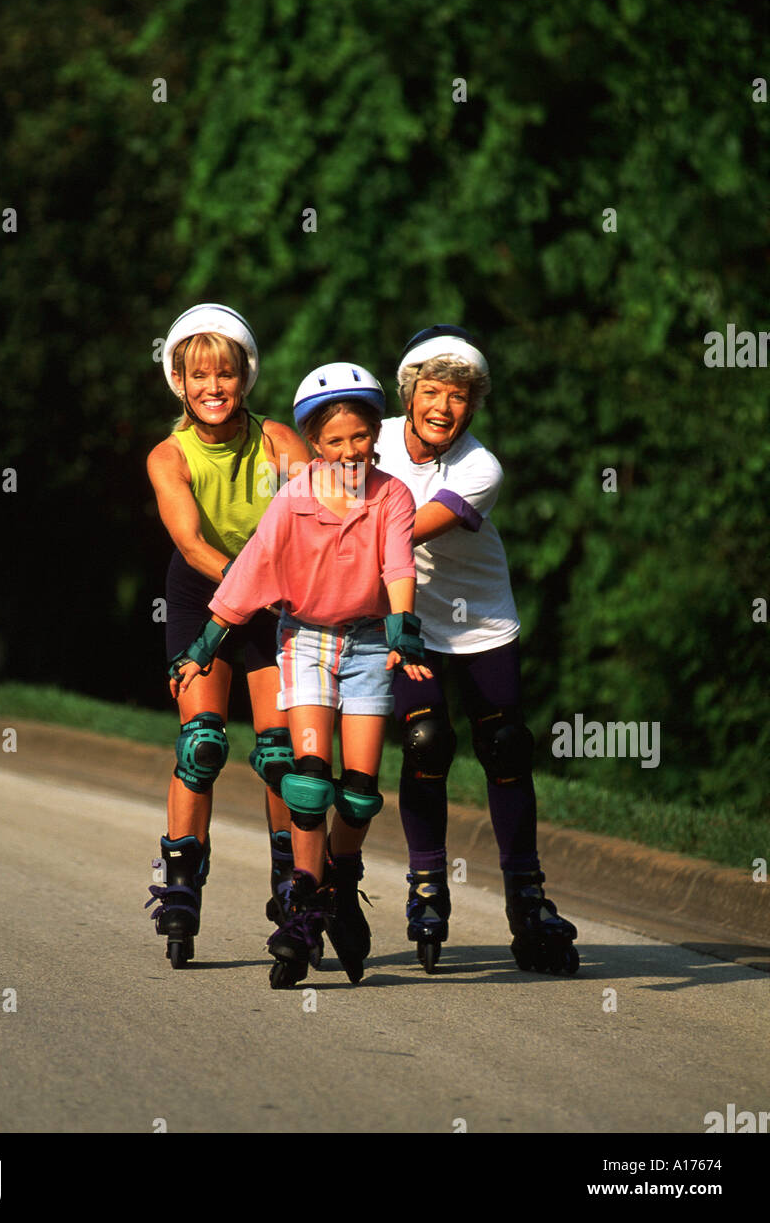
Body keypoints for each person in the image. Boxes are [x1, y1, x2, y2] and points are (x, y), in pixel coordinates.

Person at [170, 363, 432, 987]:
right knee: (310, 783)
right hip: (307, 640)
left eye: (362, 437)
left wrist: (403, 627)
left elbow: (398, 562)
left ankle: (342, 876)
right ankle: (304, 904)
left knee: (362, 792)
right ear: (315, 443)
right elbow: (251, 571)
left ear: (376, 435)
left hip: (370, 645)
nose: (350, 451)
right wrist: (206, 644)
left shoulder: (391, 494)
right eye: (335, 441)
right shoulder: (294, 497)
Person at [374, 325, 580, 975]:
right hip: (409, 620)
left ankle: (527, 897)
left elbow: (406, 529)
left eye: (459, 396)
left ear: (475, 404)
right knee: (428, 739)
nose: (443, 407)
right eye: (432, 390)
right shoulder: (369, 440)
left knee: (507, 749)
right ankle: (428, 884)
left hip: (481, 619)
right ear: (410, 391)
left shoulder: (480, 467)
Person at [144, 303, 311, 968]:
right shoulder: (169, 454)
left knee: (280, 753)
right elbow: (190, 542)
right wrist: (257, 587)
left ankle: (291, 885)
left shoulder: (278, 443)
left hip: (276, 602)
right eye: (199, 376)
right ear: (178, 382)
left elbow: (315, 514)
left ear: (246, 377)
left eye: (226, 374)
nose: (213, 388)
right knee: (202, 742)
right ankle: (181, 883)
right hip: (202, 596)